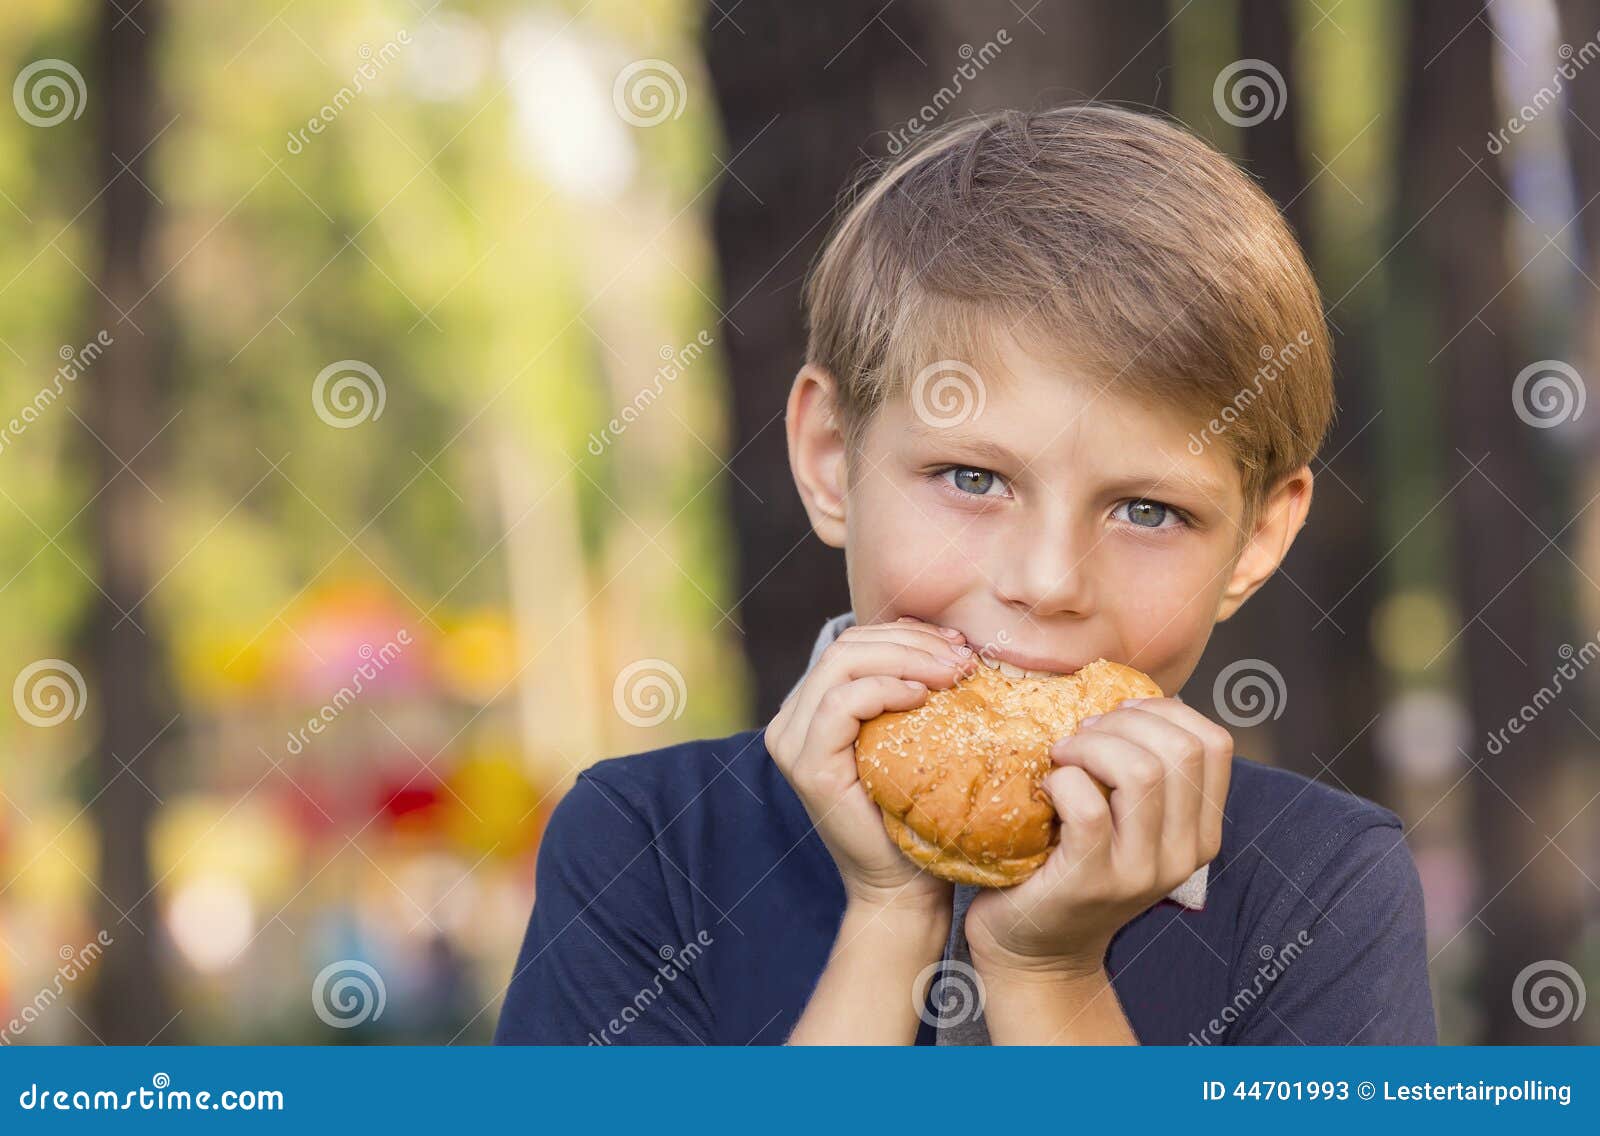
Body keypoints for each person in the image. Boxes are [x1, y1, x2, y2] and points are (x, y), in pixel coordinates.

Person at [493, 104, 1436, 1045]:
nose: (1047, 579)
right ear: (831, 458)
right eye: (973, 478)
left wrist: (1046, 972)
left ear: (1257, 539)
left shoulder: (1324, 887)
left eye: (1148, 510)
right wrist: (888, 918)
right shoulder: (646, 848)